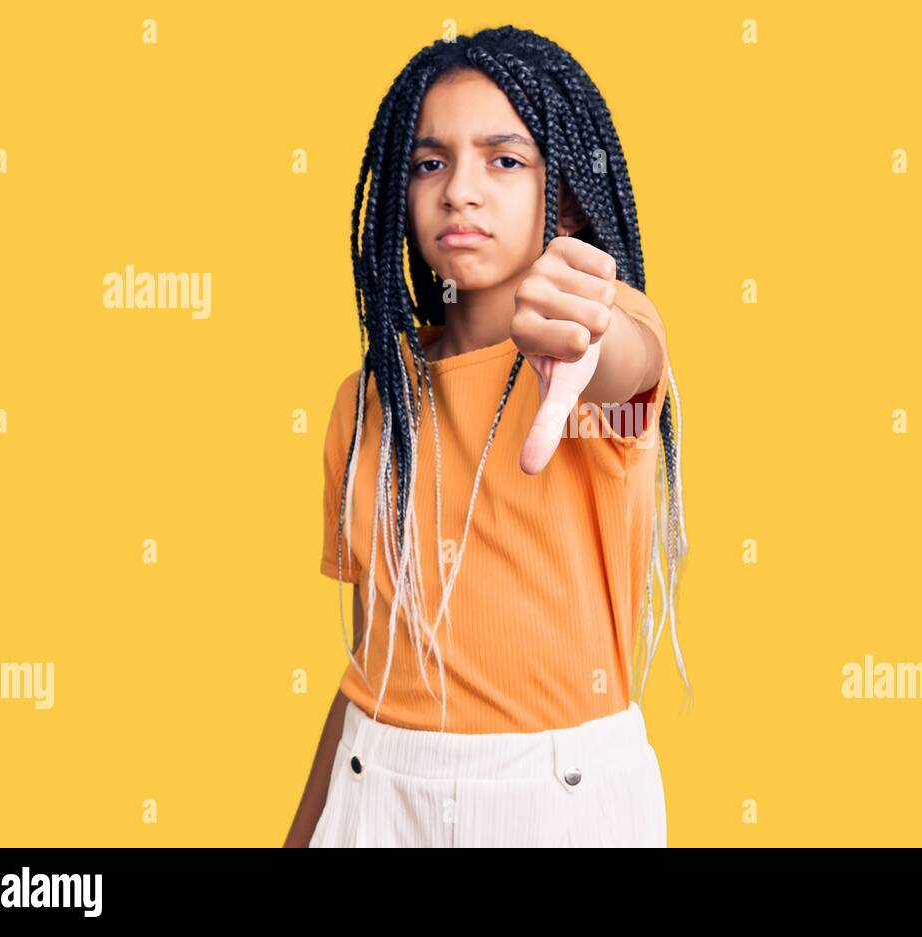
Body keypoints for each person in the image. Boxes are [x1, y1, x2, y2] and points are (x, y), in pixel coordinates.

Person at [284, 25, 689, 848]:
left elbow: (628, 361)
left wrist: (587, 335)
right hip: (374, 785)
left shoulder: (598, 346)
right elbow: (374, 659)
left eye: (504, 160)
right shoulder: (369, 401)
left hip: (556, 798)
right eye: (431, 162)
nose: (460, 190)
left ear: (566, 195)